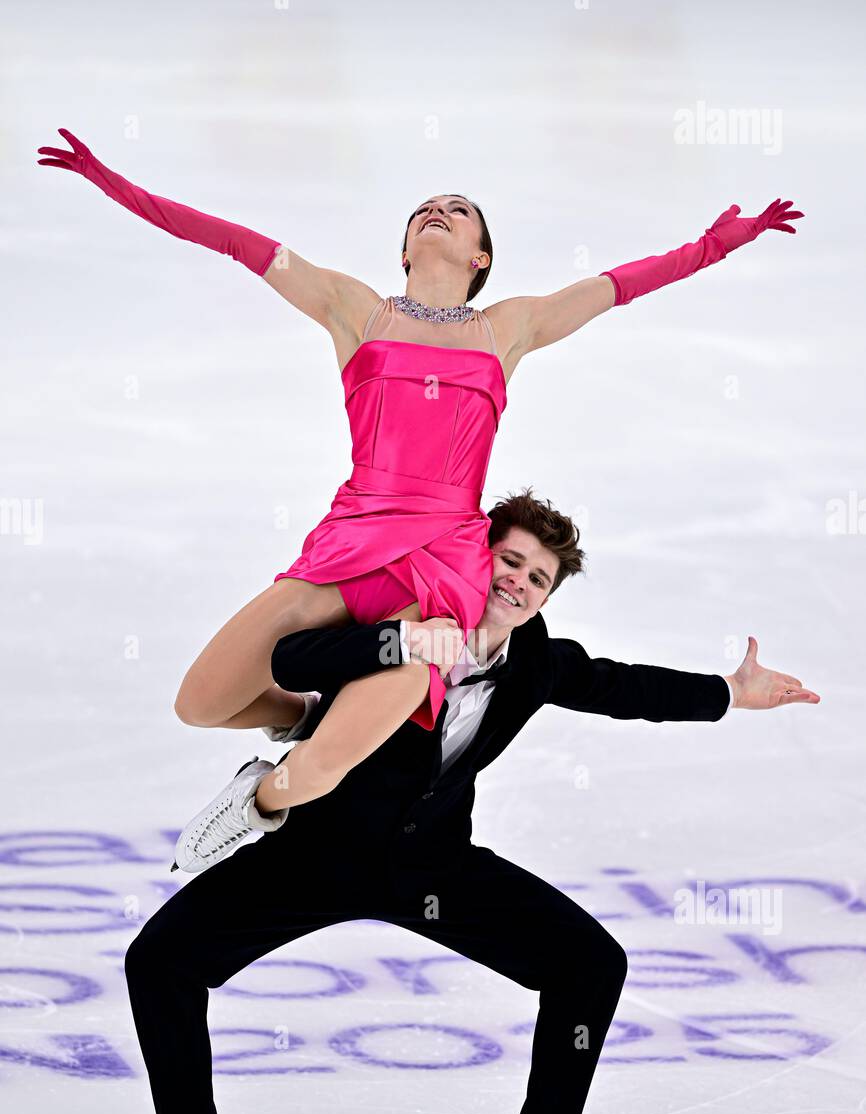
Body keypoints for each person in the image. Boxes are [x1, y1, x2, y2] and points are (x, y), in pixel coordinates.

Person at [38, 130, 804, 858]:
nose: (439, 210)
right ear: (405, 248)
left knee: (358, 731)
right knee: (201, 703)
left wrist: (711, 248)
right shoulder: (354, 308)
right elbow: (235, 241)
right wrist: (115, 185)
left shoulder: (510, 326)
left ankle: (258, 805)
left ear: (480, 256)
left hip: (443, 561)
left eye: (459, 209)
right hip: (350, 534)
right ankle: (301, 715)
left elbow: (617, 289)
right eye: (424, 209)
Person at [95, 491, 819, 1114]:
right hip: (317, 854)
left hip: (429, 867)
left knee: (590, 964)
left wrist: (730, 694)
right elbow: (291, 659)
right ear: (478, 558)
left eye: (538, 578)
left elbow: (620, 686)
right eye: (509, 561)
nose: (519, 583)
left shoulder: (533, 660)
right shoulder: (402, 621)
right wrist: (399, 645)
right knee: (160, 962)